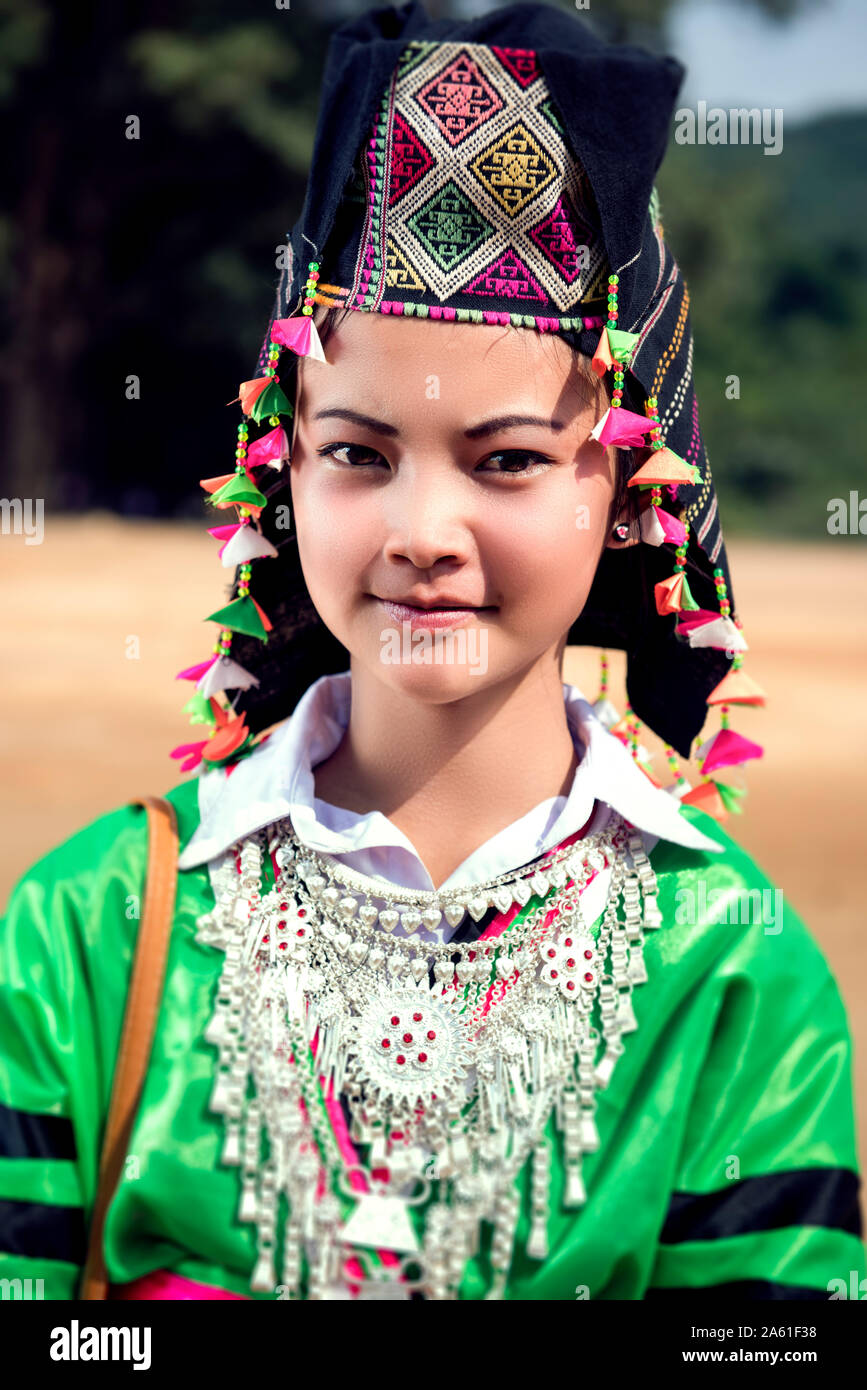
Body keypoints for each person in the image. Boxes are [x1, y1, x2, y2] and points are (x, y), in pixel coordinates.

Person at [0, 1, 863, 1302]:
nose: (421, 535)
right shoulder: (88, 933)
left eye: (507, 460)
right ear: (278, 469)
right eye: (357, 453)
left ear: (632, 493)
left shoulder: (733, 971)